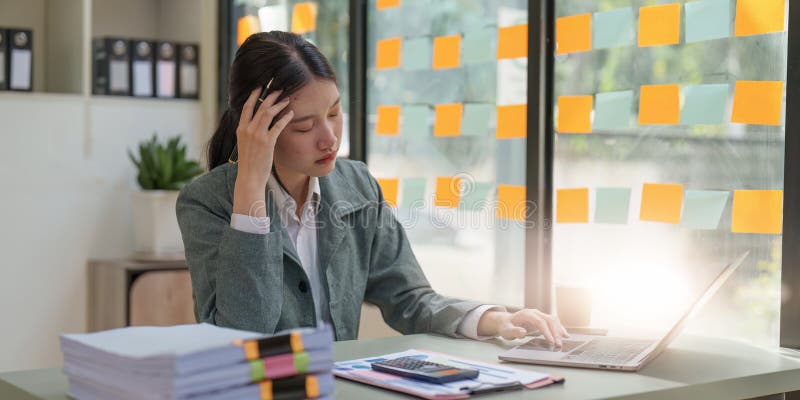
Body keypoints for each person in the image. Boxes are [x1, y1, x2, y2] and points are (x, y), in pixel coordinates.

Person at [176, 31, 569, 346]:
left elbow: (410, 299)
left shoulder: (356, 185)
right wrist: (250, 187)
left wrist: (494, 319)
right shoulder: (206, 202)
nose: (329, 138)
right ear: (257, 125)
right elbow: (243, 333)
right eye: (304, 126)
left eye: (333, 112)